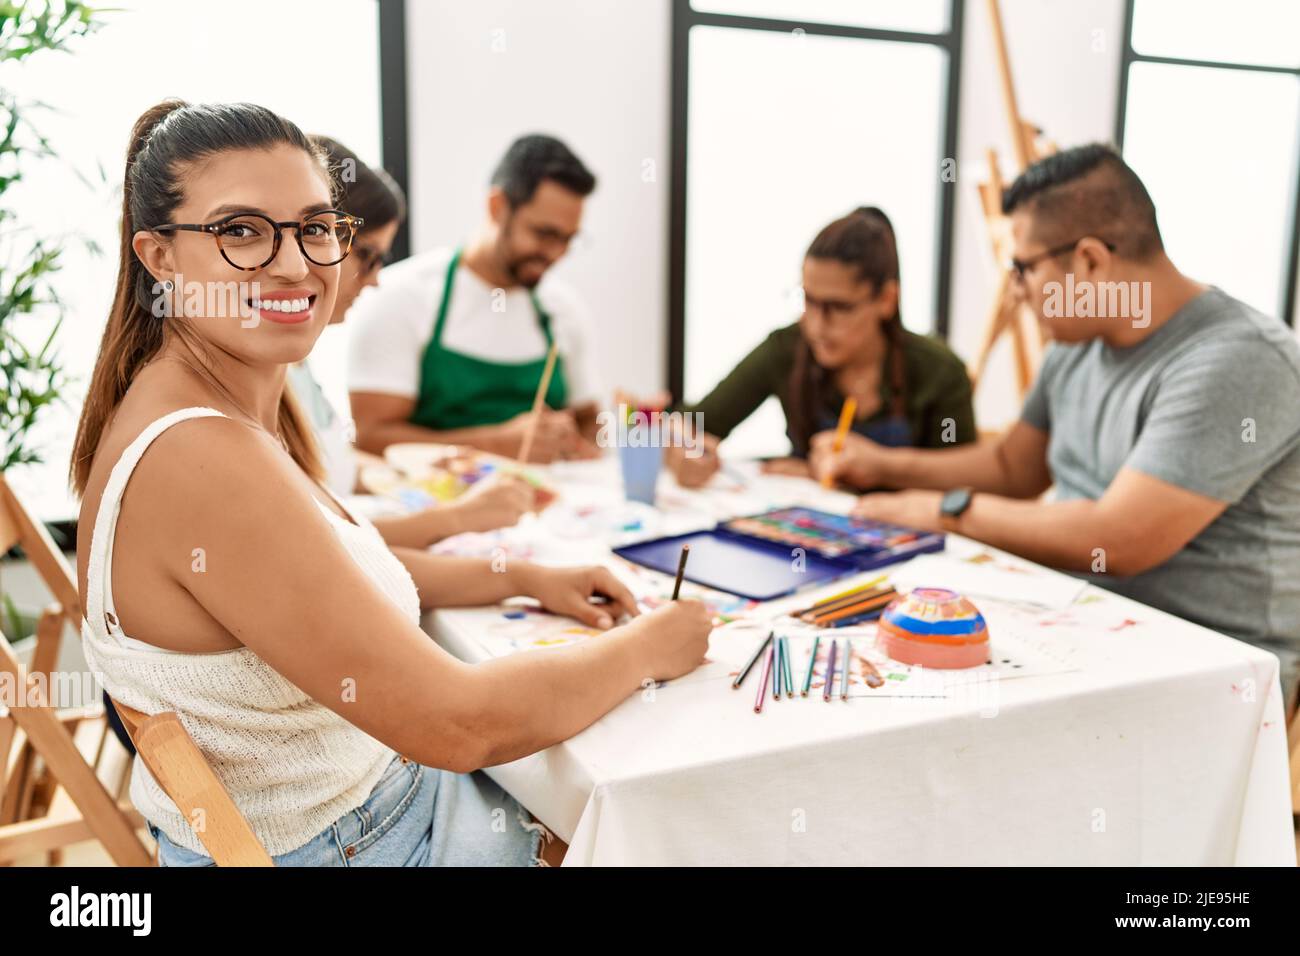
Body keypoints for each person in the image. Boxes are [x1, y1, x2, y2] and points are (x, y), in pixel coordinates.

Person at [71, 100, 711, 867]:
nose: (295, 264)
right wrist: (650, 646)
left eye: (315, 227)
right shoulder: (202, 456)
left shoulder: (204, 407)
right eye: (240, 231)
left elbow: (321, 586)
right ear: (160, 257)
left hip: (360, 809)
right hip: (367, 841)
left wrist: (525, 574)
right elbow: (457, 725)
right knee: (682, 814)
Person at [816, 144, 1300, 710]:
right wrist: (881, 465)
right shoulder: (1076, 340)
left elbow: (1116, 539)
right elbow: (1013, 467)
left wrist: (942, 509)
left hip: (1215, 667)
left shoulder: (1237, 361)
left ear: (1091, 261)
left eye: (1023, 268)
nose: (1016, 291)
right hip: (1080, 621)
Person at [289, 135, 534, 548]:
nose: (376, 278)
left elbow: (330, 461)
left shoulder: (297, 364)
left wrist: (422, 477)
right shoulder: (266, 372)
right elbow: (316, 545)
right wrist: (460, 517)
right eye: (369, 257)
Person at [667, 207, 975, 488]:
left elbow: (966, 478)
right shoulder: (786, 349)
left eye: (837, 308)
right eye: (809, 301)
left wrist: (880, 468)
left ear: (886, 300)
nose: (816, 325)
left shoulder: (939, 372)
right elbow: (692, 424)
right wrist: (683, 449)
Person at [347, 134, 604, 463]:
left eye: (568, 240)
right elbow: (370, 438)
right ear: (497, 207)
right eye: (544, 234)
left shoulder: (564, 309)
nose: (556, 254)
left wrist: (637, 434)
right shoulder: (401, 298)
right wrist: (497, 444)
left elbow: (591, 424)